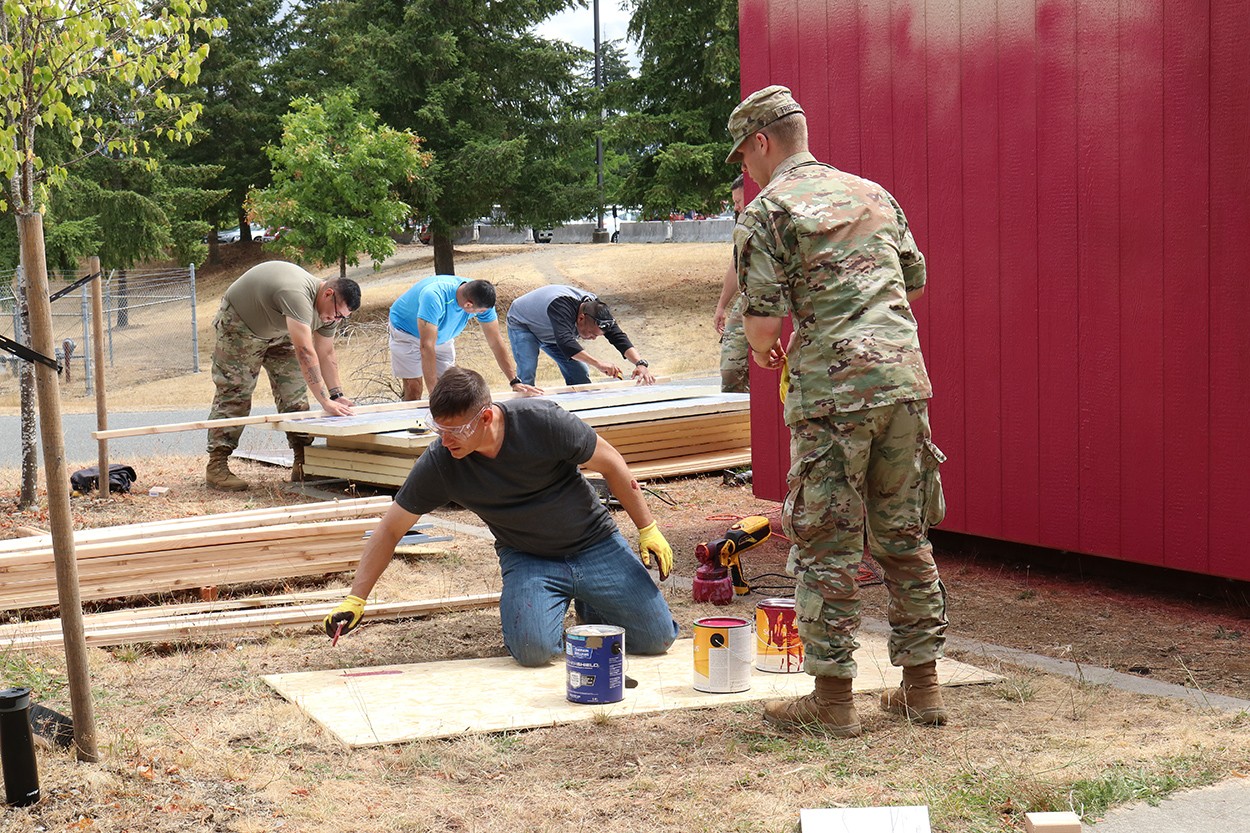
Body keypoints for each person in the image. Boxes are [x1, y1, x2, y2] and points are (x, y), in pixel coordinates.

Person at [727, 85, 948, 736]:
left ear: (763, 141)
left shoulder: (767, 211)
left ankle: (831, 704)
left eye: (745, 154)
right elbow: (913, 279)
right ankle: (923, 688)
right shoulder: (873, 193)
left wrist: (770, 349)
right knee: (904, 534)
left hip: (832, 395)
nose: (747, 167)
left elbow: (762, 323)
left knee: (827, 543)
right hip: (904, 382)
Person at [323, 367, 679, 666]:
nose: (446, 441)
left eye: (456, 431)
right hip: (529, 559)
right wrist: (357, 598)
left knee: (657, 639)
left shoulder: (544, 422)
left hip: (594, 543)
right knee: (533, 652)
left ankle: (592, 603)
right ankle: (566, 601)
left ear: (487, 416)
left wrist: (648, 529)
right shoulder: (441, 463)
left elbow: (612, 463)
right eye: (439, 430)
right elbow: (389, 531)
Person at [206, 261, 360, 491]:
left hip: (280, 331)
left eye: (342, 318)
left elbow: (326, 352)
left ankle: (302, 461)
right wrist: (323, 400)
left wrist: (336, 395)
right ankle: (217, 466)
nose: (335, 320)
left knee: (295, 396)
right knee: (235, 393)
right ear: (328, 293)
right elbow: (305, 352)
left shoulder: (329, 312)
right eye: (337, 314)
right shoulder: (297, 294)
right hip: (241, 326)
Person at [388, 275, 541, 401]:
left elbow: (495, 342)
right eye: (479, 312)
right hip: (407, 332)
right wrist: (433, 396)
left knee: (448, 387)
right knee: (415, 388)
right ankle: (413, 428)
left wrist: (514, 381)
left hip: (442, 336)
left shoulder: (481, 299)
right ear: (468, 305)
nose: (483, 314)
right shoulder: (434, 296)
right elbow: (426, 347)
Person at [505, 285, 655, 387]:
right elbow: (566, 343)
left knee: (579, 371)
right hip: (524, 324)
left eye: (596, 335)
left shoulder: (599, 313)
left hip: (553, 331)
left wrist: (640, 363)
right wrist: (598, 363)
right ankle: (523, 412)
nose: (592, 338)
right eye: (590, 333)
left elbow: (619, 338)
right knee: (527, 371)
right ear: (581, 318)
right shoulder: (561, 306)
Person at [713, 174, 749, 393]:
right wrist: (721, 306)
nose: (736, 207)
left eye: (738, 201)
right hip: (747, 298)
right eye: (734, 202)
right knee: (731, 368)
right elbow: (736, 265)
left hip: (777, 295)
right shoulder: (742, 224)